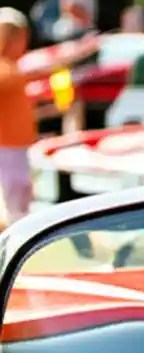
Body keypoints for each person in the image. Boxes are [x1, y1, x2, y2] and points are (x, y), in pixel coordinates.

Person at [0, 8, 91, 227]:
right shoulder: (7, 69)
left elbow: (21, 103)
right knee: (13, 209)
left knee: (20, 204)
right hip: (6, 150)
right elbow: (25, 75)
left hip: (17, 147)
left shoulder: (13, 69)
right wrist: (69, 57)